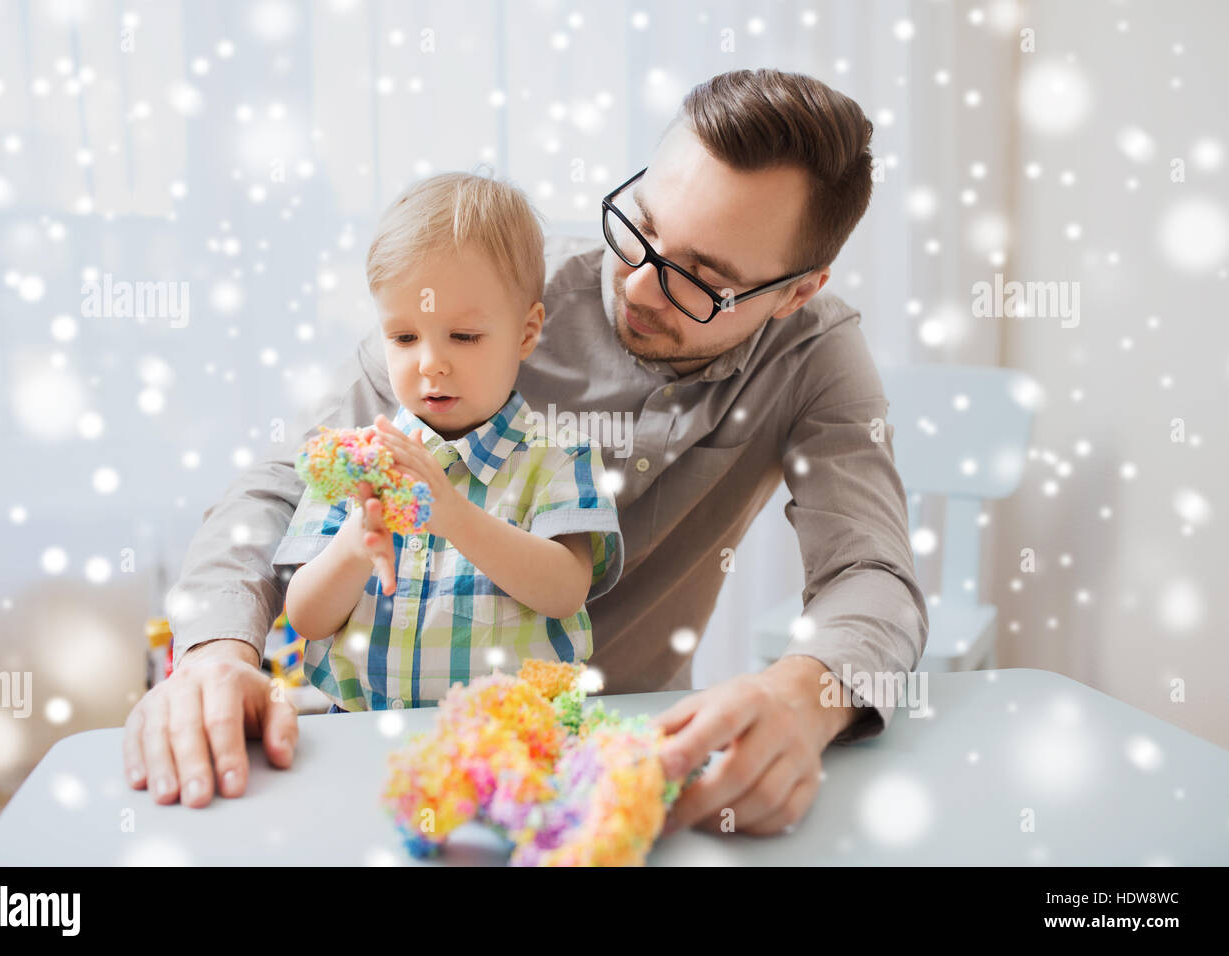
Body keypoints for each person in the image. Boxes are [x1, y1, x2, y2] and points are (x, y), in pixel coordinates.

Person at [123, 68, 929, 839]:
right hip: (388, 738)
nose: (641, 286)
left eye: (701, 280)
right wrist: (215, 651)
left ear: (797, 293)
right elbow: (280, 486)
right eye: (642, 225)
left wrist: (807, 692)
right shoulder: (487, 294)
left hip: (626, 753)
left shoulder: (815, 354)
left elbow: (872, 574)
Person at [281, 172, 622, 711]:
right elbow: (306, 617)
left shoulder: (559, 455)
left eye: (463, 337)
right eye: (404, 337)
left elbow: (565, 591)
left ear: (527, 333)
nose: (430, 362)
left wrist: (455, 515)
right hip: (365, 731)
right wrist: (354, 542)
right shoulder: (359, 463)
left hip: (509, 741)